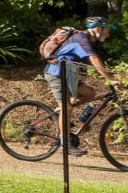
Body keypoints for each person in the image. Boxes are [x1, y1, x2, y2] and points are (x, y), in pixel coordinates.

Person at [43, 16, 116, 156]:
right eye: (106, 30)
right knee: (67, 107)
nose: (108, 34)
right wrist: (110, 79)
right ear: (96, 29)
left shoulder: (84, 39)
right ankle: (64, 144)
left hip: (69, 74)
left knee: (90, 93)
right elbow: (94, 61)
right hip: (56, 74)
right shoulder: (82, 38)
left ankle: (77, 116)